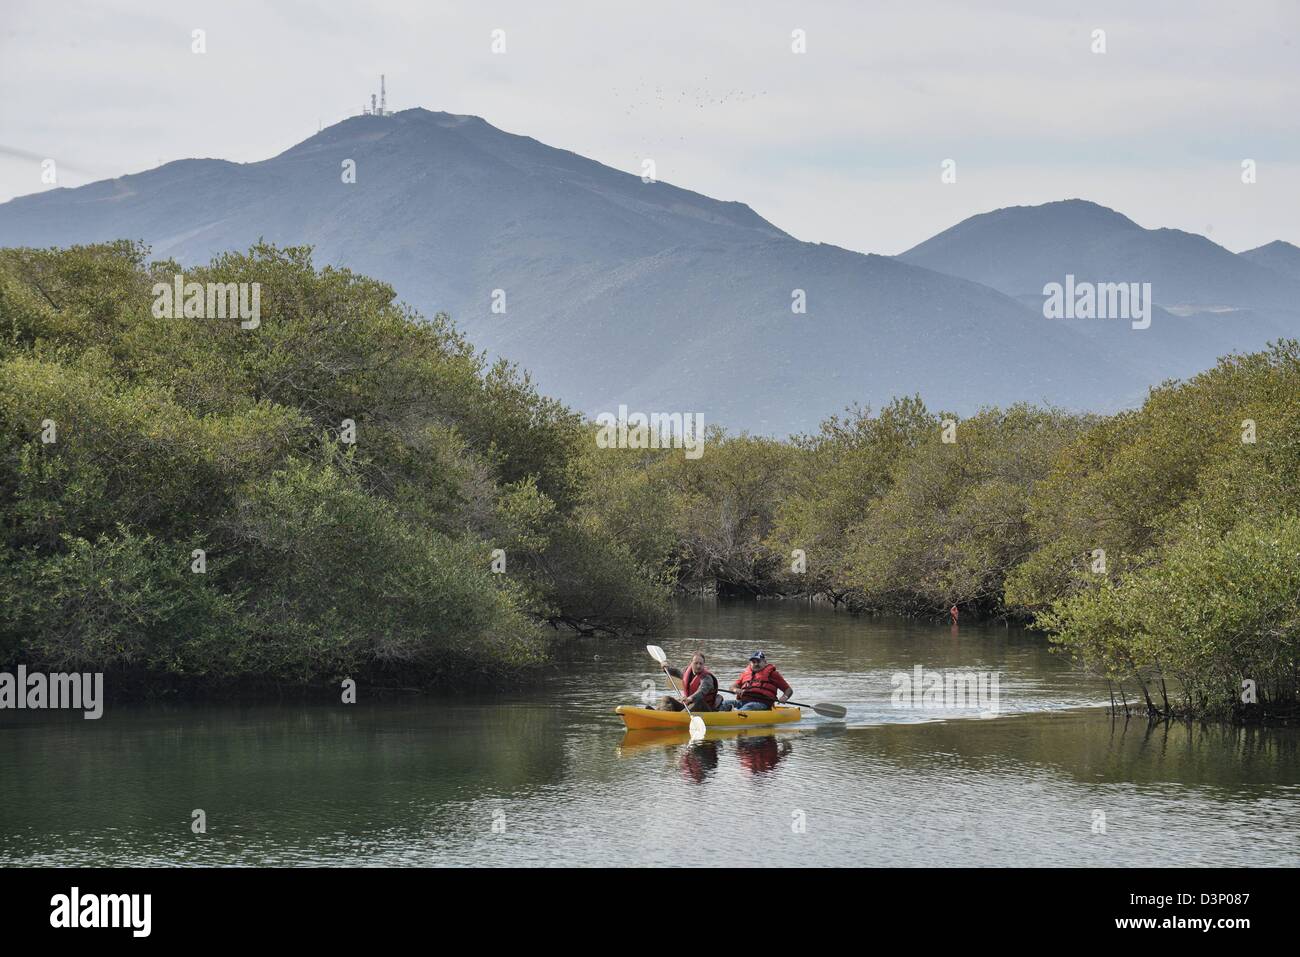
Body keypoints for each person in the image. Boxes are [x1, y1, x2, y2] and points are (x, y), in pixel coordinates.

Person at [720, 651, 792, 711]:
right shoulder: (745, 674)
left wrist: (784, 697)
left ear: (764, 662)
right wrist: (736, 690)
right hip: (743, 701)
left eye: (758, 661)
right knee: (724, 703)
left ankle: (734, 715)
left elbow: (788, 690)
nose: (756, 664)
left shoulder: (773, 674)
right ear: (750, 663)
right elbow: (732, 687)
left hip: (762, 703)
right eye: (754, 662)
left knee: (749, 706)